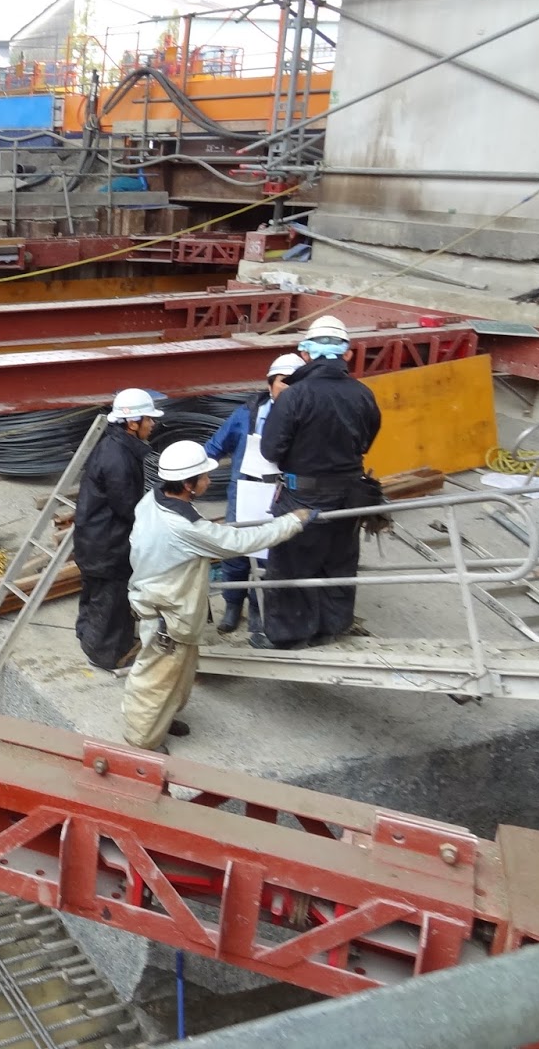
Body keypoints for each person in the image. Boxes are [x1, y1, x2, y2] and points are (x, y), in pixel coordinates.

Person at [123, 441, 311, 752]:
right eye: (204, 477)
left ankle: (163, 719)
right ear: (187, 484)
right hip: (166, 616)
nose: (209, 481)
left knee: (179, 675)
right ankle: (141, 741)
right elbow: (240, 541)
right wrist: (293, 521)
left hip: (165, 606)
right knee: (155, 680)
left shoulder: (152, 499)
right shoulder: (185, 527)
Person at [259, 315, 383, 651]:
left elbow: (270, 449)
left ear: (305, 355)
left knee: (291, 567)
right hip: (349, 494)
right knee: (338, 562)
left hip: (302, 495)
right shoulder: (364, 394)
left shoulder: (294, 396)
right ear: (347, 355)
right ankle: (333, 627)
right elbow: (367, 441)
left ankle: (290, 635)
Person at [202, 352, 305, 646]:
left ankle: (259, 607)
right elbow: (215, 447)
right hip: (244, 489)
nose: (290, 389)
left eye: (297, 384)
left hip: (280, 492)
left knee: (269, 554)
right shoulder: (246, 415)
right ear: (271, 384)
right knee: (236, 551)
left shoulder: (304, 418)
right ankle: (233, 604)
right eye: (285, 383)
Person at [74, 387, 164, 671]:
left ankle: (87, 636)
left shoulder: (112, 445)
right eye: (148, 419)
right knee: (111, 602)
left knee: (94, 593)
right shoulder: (120, 459)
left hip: (93, 539)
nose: (153, 425)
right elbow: (129, 508)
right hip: (109, 545)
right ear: (132, 423)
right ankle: (108, 655)